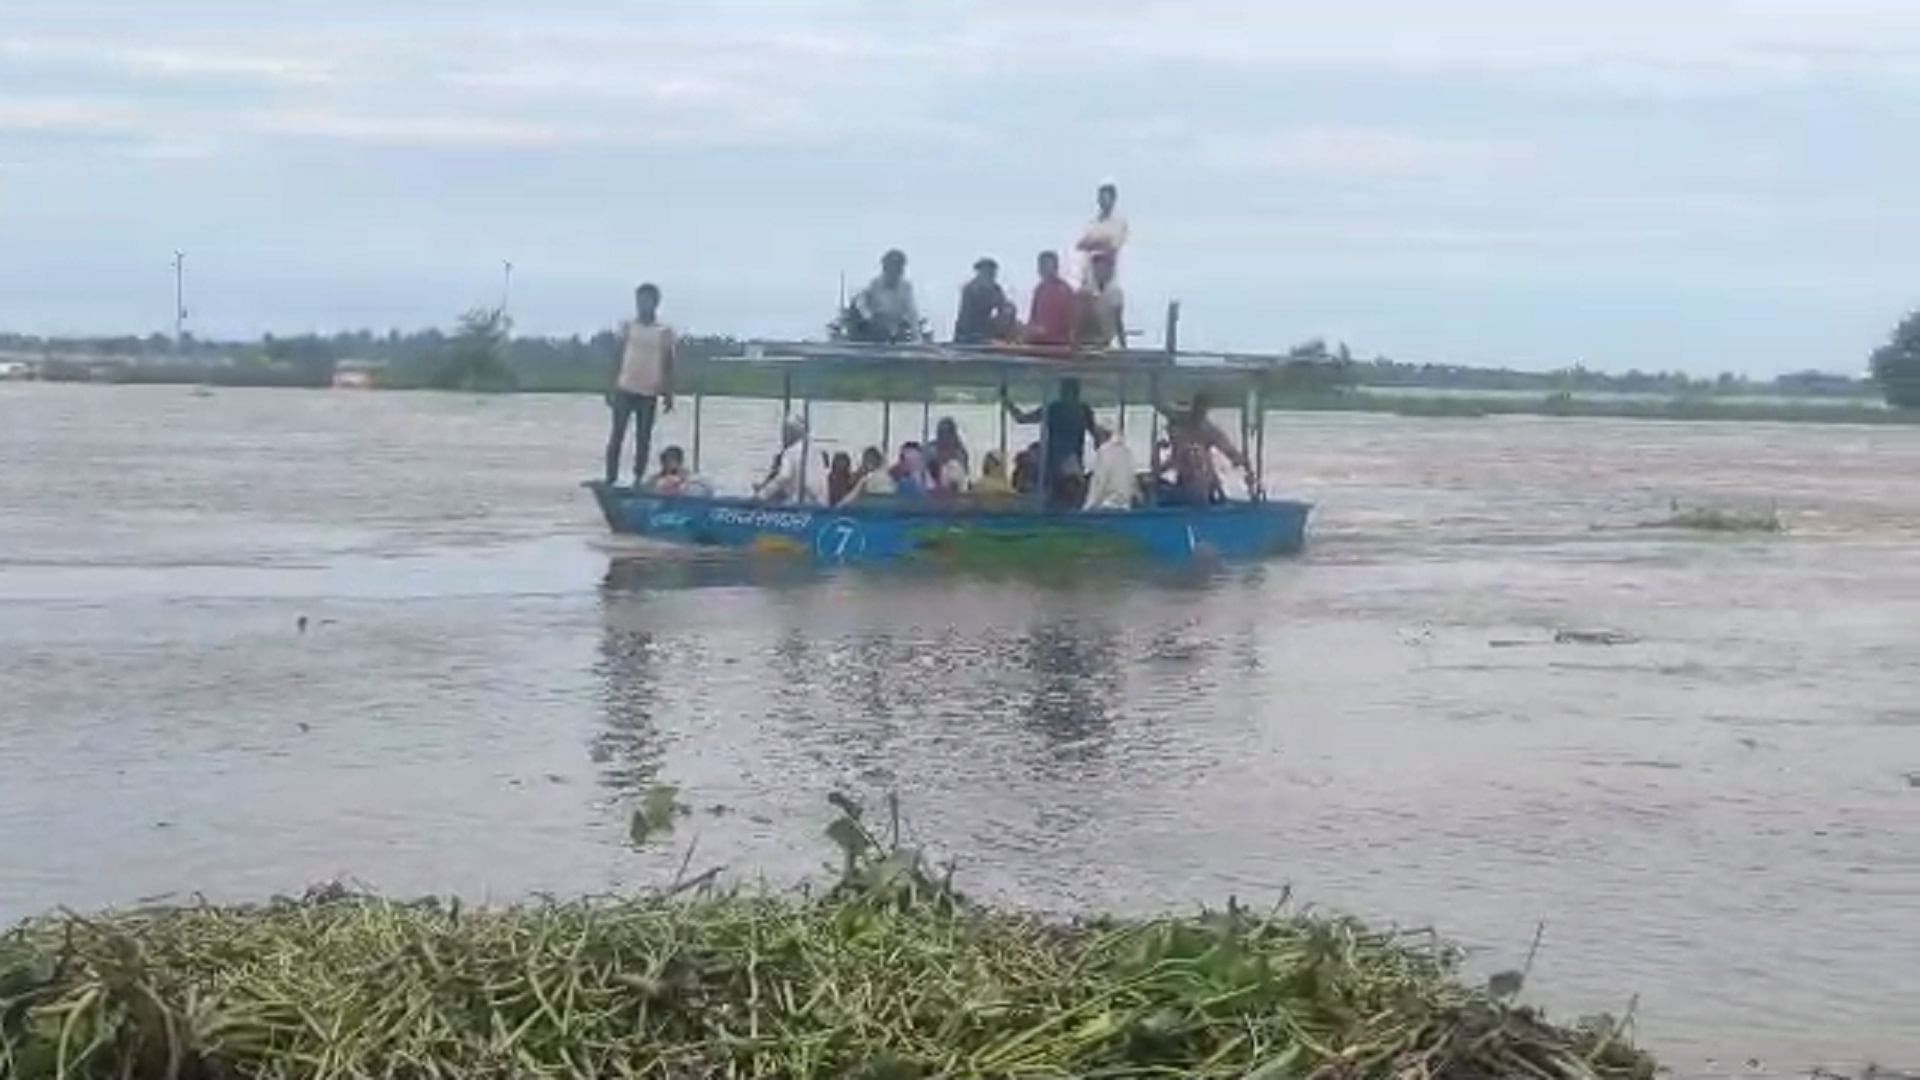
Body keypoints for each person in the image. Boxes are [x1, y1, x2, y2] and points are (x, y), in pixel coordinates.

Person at [605, 283, 677, 486]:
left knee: (643, 438)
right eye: (639, 300)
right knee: (617, 435)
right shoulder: (628, 327)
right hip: (625, 387)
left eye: (647, 301)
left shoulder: (664, 331)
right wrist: (610, 386)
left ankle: (638, 478)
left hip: (649, 392)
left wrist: (669, 394)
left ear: (655, 303)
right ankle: (611, 477)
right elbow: (617, 356)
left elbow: (669, 363)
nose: (642, 305)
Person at [1003, 378, 1102, 509]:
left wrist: (1006, 400)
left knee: (1053, 500)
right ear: (1077, 392)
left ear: (1062, 392)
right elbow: (1096, 436)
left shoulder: (1055, 408)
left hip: (1054, 463)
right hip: (1071, 463)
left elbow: (1022, 419)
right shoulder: (1081, 410)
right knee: (1072, 498)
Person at [1156, 391, 1250, 506]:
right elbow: (1175, 458)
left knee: (1198, 457)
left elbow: (1228, 449)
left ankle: (1213, 498)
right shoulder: (1180, 423)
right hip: (1185, 479)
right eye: (1197, 410)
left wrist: (1242, 463)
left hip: (1202, 481)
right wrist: (1157, 471)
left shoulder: (1207, 430)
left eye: (1202, 411)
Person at [845, 249, 922, 343]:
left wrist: (917, 337)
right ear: (885, 268)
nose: (894, 272)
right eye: (891, 267)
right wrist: (869, 318)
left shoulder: (906, 288)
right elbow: (860, 303)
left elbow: (912, 313)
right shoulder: (875, 284)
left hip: (895, 328)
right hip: (873, 328)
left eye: (898, 268)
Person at [754, 415, 818, 504]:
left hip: (801, 504)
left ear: (791, 433)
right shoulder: (814, 451)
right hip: (819, 503)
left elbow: (784, 476)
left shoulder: (791, 451)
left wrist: (761, 495)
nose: (783, 437)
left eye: (785, 432)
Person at [1075, 180, 1129, 283]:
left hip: (1109, 270)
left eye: (1104, 198)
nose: (1101, 201)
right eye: (1099, 198)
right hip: (1090, 270)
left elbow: (1112, 246)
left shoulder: (1119, 222)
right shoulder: (1093, 222)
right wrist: (1098, 242)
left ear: (1113, 199)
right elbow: (1081, 245)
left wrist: (1094, 243)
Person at [953, 258, 1017, 344]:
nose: (991, 275)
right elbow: (970, 313)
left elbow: (1003, 306)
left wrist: (1008, 311)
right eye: (987, 272)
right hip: (968, 333)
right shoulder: (971, 289)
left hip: (987, 332)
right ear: (980, 272)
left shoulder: (995, 288)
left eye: (992, 272)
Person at [1074, 250, 1126, 350]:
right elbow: (1077, 320)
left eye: (1103, 268)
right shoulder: (1084, 291)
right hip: (1085, 342)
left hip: (1105, 342)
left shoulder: (1115, 293)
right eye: (1097, 268)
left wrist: (1123, 345)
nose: (1100, 271)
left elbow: (1118, 321)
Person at [1025, 250, 1077, 347]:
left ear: (1056, 267)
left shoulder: (1065, 290)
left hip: (1058, 345)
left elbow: (1072, 322)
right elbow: (1033, 317)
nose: (1042, 268)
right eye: (1041, 265)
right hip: (1038, 345)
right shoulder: (1039, 290)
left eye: (1046, 265)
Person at [1082, 424, 1139, 510]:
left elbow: (1100, 482)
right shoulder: (1127, 452)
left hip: (1108, 506)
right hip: (1125, 506)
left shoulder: (1104, 452)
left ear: (1102, 435)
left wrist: (1087, 507)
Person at [931, 416, 971, 492]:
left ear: (953, 433)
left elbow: (966, 474)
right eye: (941, 432)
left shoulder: (960, 451)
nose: (945, 436)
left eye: (947, 432)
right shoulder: (931, 450)